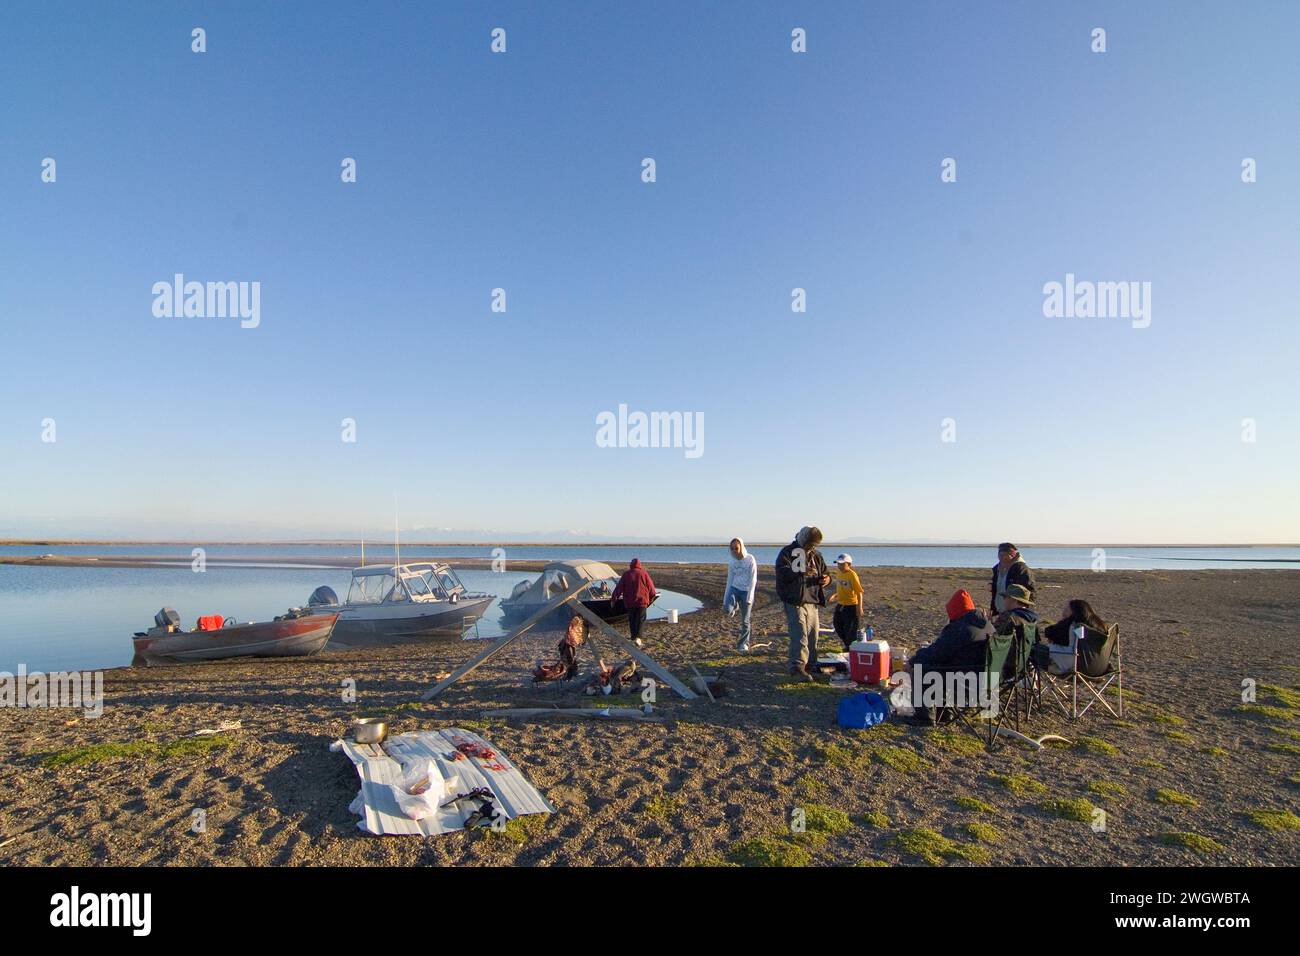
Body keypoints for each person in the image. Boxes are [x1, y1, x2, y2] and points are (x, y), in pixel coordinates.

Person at [774, 526, 829, 682]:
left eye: (814, 545)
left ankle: (811, 664)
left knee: (813, 635)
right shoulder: (787, 553)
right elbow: (782, 573)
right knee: (800, 635)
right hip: (794, 600)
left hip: (812, 600)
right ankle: (797, 668)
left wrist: (826, 580)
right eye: (810, 544)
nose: (811, 547)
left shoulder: (816, 556)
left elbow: (825, 572)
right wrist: (799, 571)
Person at [611, 558, 657, 647]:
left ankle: (633, 637)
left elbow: (619, 588)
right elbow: (651, 588)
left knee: (632, 620)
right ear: (640, 565)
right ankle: (638, 638)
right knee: (640, 620)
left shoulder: (626, 574)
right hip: (642, 602)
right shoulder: (644, 573)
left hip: (630, 603)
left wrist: (614, 599)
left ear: (631, 565)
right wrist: (651, 597)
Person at [724, 537, 758, 653]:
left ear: (741, 547)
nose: (734, 550)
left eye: (736, 548)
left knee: (745, 621)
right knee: (727, 610)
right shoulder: (732, 561)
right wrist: (726, 598)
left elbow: (753, 579)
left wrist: (749, 597)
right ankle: (734, 606)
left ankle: (743, 644)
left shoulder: (750, 559)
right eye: (732, 548)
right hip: (734, 588)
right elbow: (730, 580)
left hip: (746, 591)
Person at [829, 552, 865, 651]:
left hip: (851, 606)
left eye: (842, 564)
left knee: (851, 630)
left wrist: (859, 607)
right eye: (838, 563)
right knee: (837, 625)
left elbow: (859, 592)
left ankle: (851, 648)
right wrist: (835, 595)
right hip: (841, 604)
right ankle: (848, 645)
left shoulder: (852, 575)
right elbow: (841, 587)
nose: (839, 566)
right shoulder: (839, 573)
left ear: (849, 564)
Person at [989, 543, 1036, 614]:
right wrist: (993, 611)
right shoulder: (998, 569)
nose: (1003, 558)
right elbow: (996, 592)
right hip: (1000, 610)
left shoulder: (1021, 569)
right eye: (1001, 555)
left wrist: (1025, 612)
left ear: (1013, 555)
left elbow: (1029, 592)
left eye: (1006, 555)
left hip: (1015, 611)